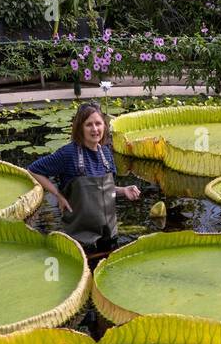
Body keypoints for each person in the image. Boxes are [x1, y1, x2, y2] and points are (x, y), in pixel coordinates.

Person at [26, 103, 141, 253]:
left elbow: (104, 190)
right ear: (80, 127)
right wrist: (58, 194)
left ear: (104, 126)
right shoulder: (68, 154)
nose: (95, 129)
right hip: (81, 241)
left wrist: (123, 190)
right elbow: (34, 170)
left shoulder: (106, 153)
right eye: (89, 125)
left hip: (109, 235)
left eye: (98, 123)